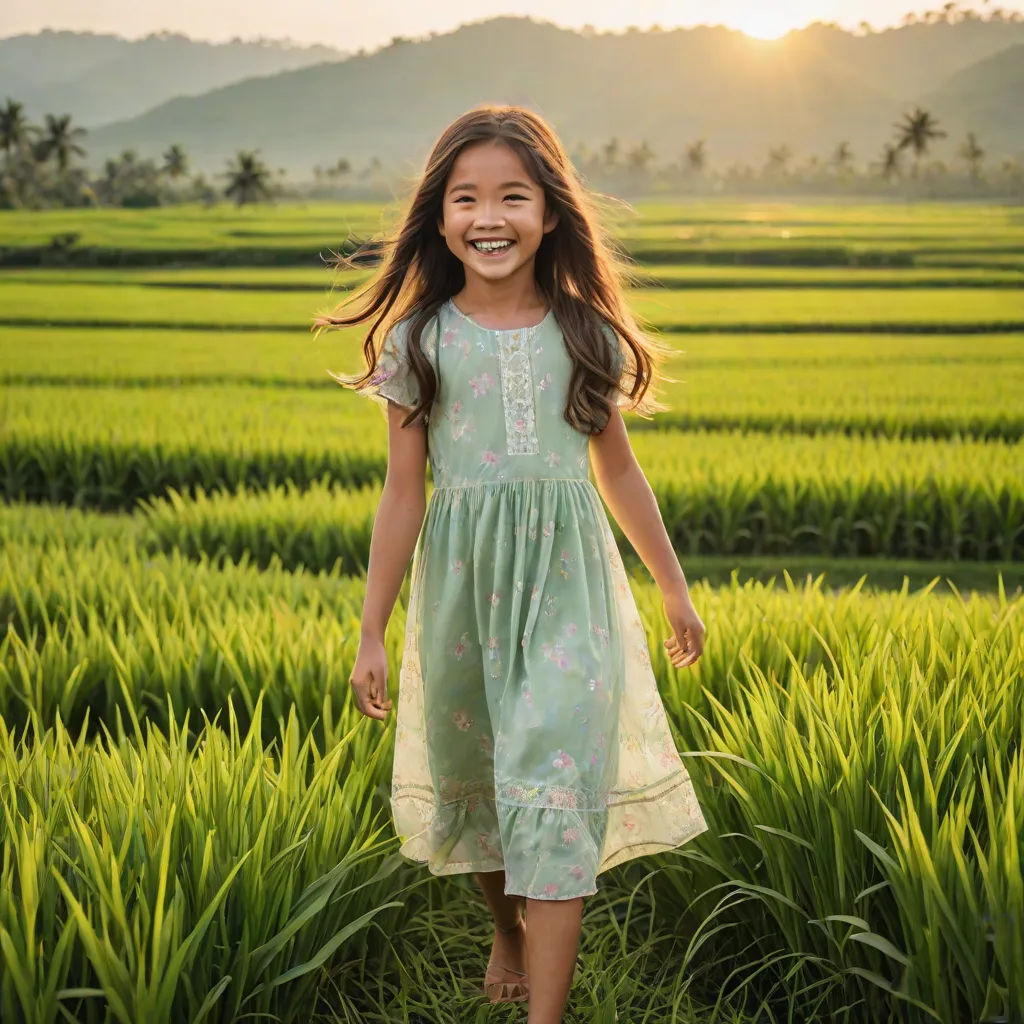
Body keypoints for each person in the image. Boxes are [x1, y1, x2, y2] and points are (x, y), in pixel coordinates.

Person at [311, 104, 709, 1023]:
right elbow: (403, 492)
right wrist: (371, 628)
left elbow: (618, 469)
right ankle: (506, 925)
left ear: (551, 215)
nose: (490, 217)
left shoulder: (585, 335)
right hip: (462, 594)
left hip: (569, 591)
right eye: (467, 198)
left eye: (513, 197)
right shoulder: (419, 343)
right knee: (483, 776)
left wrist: (674, 587)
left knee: (554, 786)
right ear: (440, 218)